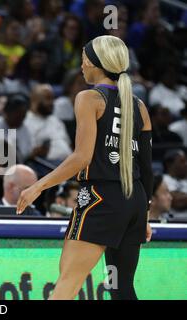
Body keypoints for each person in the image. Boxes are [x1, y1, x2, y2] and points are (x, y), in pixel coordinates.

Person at [17, 35, 154, 300]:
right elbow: (147, 170)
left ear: (95, 63)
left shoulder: (89, 98)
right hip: (135, 202)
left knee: (67, 285)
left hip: (100, 199)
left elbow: (82, 158)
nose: (81, 66)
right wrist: (144, 214)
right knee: (121, 288)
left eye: (83, 60)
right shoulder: (140, 106)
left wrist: (38, 186)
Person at [24, 84, 72, 162]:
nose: (52, 102)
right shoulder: (26, 122)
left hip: (68, 163)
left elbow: (69, 145)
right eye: (48, 98)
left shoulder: (55, 120)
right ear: (34, 100)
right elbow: (28, 154)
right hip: (45, 165)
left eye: (53, 98)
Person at [162, 149, 187, 216]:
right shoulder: (162, 180)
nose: (186, 164)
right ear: (169, 164)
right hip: (170, 221)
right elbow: (176, 201)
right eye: (182, 161)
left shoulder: (185, 180)